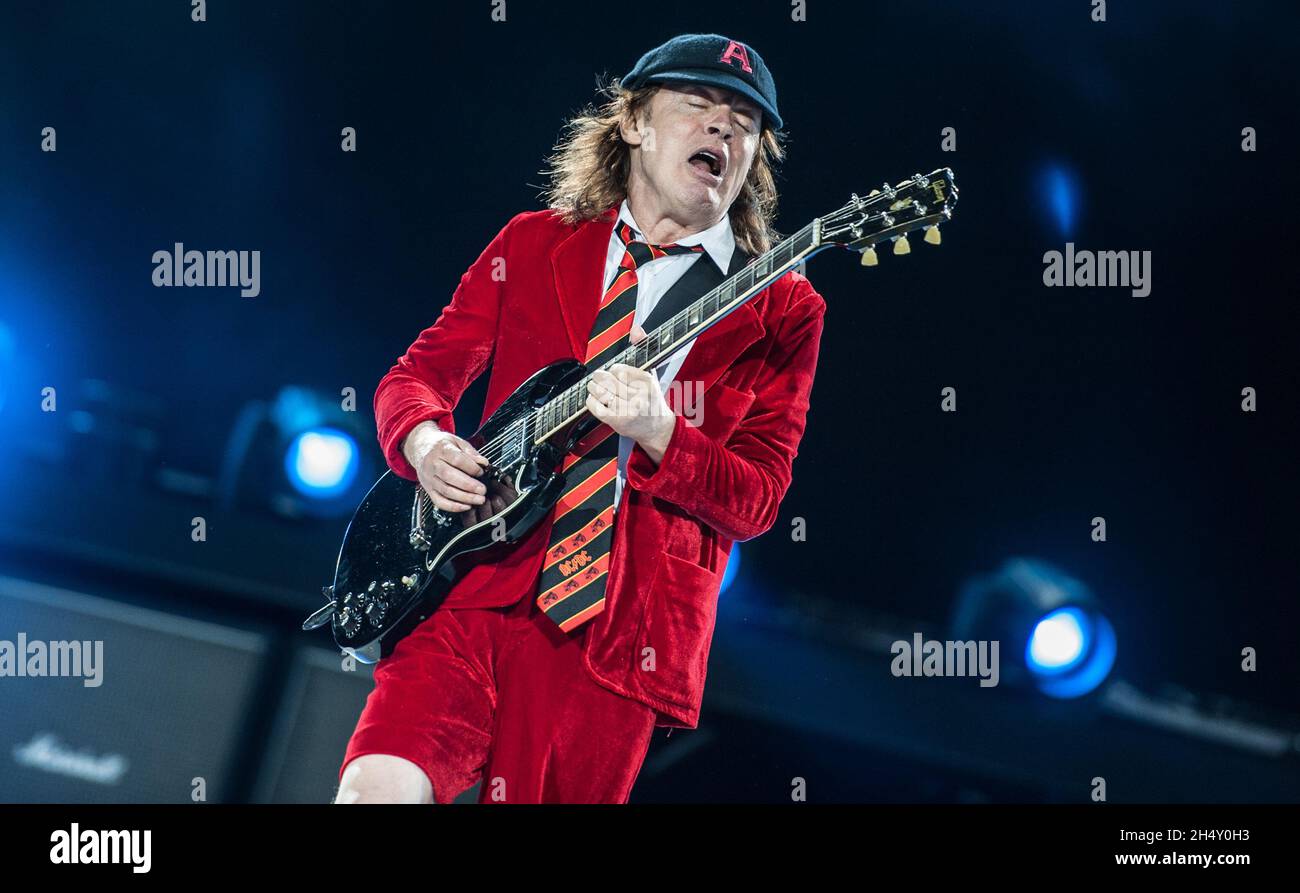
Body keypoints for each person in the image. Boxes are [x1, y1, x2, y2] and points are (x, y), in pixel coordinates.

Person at [336, 32, 826, 804]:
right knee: (373, 790)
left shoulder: (782, 308)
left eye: (744, 122)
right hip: (469, 587)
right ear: (633, 122)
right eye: (698, 106)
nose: (722, 130)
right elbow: (417, 377)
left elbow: (757, 497)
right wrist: (426, 442)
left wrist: (663, 430)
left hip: (617, 637)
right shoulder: (535, 244)